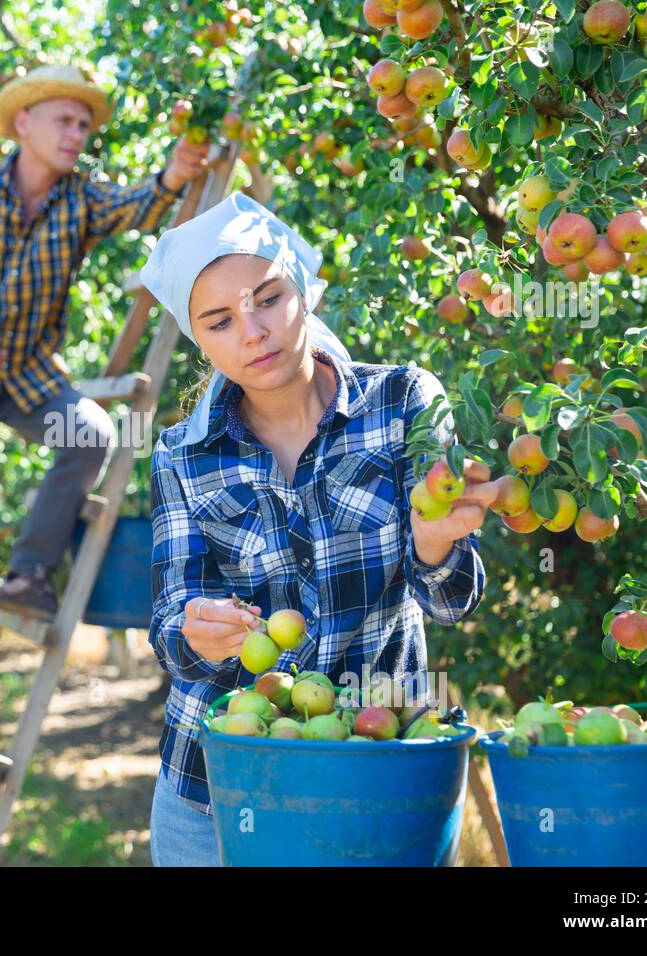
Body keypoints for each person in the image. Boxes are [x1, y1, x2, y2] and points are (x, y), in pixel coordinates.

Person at [139, 192, 500, 866]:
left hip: (378, 776)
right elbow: (170, 629)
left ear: (304, 289)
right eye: (218, 321)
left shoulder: (403, 404)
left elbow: (452, 603)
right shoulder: (183, 455)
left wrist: (432, 543)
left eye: (268, 298)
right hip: (221, 792)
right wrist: (198, 631)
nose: (252, 332)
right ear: (200, 341)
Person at [0, 63, 211, 748]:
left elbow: (140, 205)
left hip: (27, 373)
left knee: (92, 432)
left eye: (85, 125)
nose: (78, 135)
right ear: (22, 125)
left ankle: (28, 572)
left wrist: (176, 172)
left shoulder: (80, 200)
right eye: (66, 121)